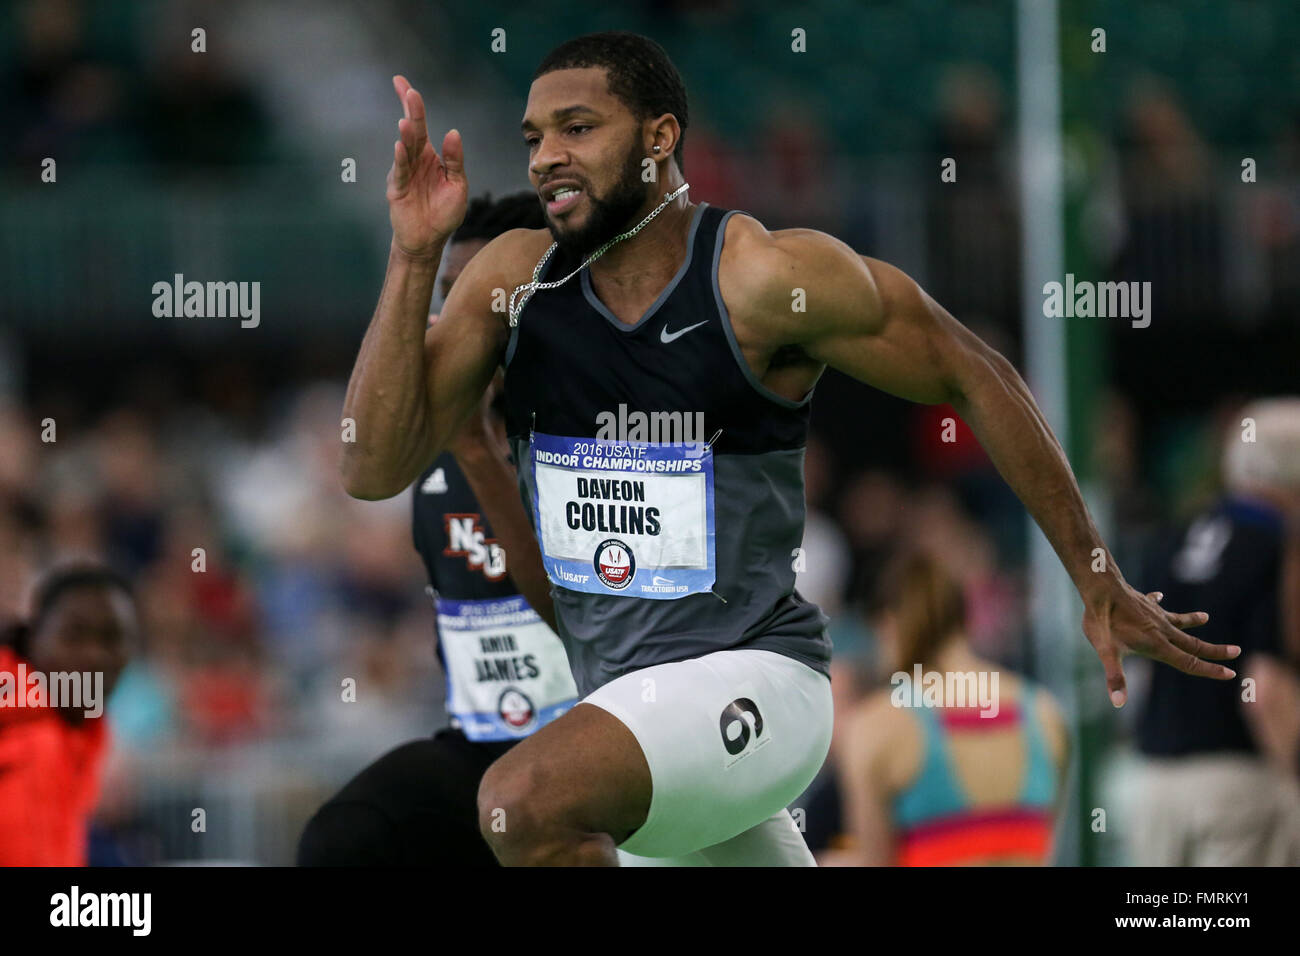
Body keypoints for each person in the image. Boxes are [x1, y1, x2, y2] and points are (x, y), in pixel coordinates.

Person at [340, 31, 1235, 866]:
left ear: (659, 137)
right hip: (629, 714)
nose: (545, 158)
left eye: (578, 128)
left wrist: (1093, 571)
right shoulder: (513, 281)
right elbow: (370, 468)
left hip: (759, 684)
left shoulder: (762, 279)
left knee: (519, 803)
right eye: (534, 136)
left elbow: (973, 370)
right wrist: (413, 255)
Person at [298, 193, 578, 866]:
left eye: (483, 296)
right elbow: (359, 464)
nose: (461, 320)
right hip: (478, 742)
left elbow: (580, 618)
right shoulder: (428, 441)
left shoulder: (592, 433)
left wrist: (478, 453)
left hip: (595, 744)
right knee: (345, 839)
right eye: (449, 295)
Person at [1127, 397, 1300, 865]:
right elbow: (1263, 687)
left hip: (1151, 783)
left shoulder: (1170, 538)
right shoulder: (1278, 546)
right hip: (1235, 783)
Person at [833, 551, 1068, 866]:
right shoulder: (1044, 713)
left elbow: (876, 861)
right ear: (965, 618)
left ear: (888, 624)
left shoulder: (876, 724)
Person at [0, 563, 135, 866]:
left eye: (112, 638)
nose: (94, 656)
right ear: (34, 636)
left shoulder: (75, 730)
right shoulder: (30, 739)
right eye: (75, 635)